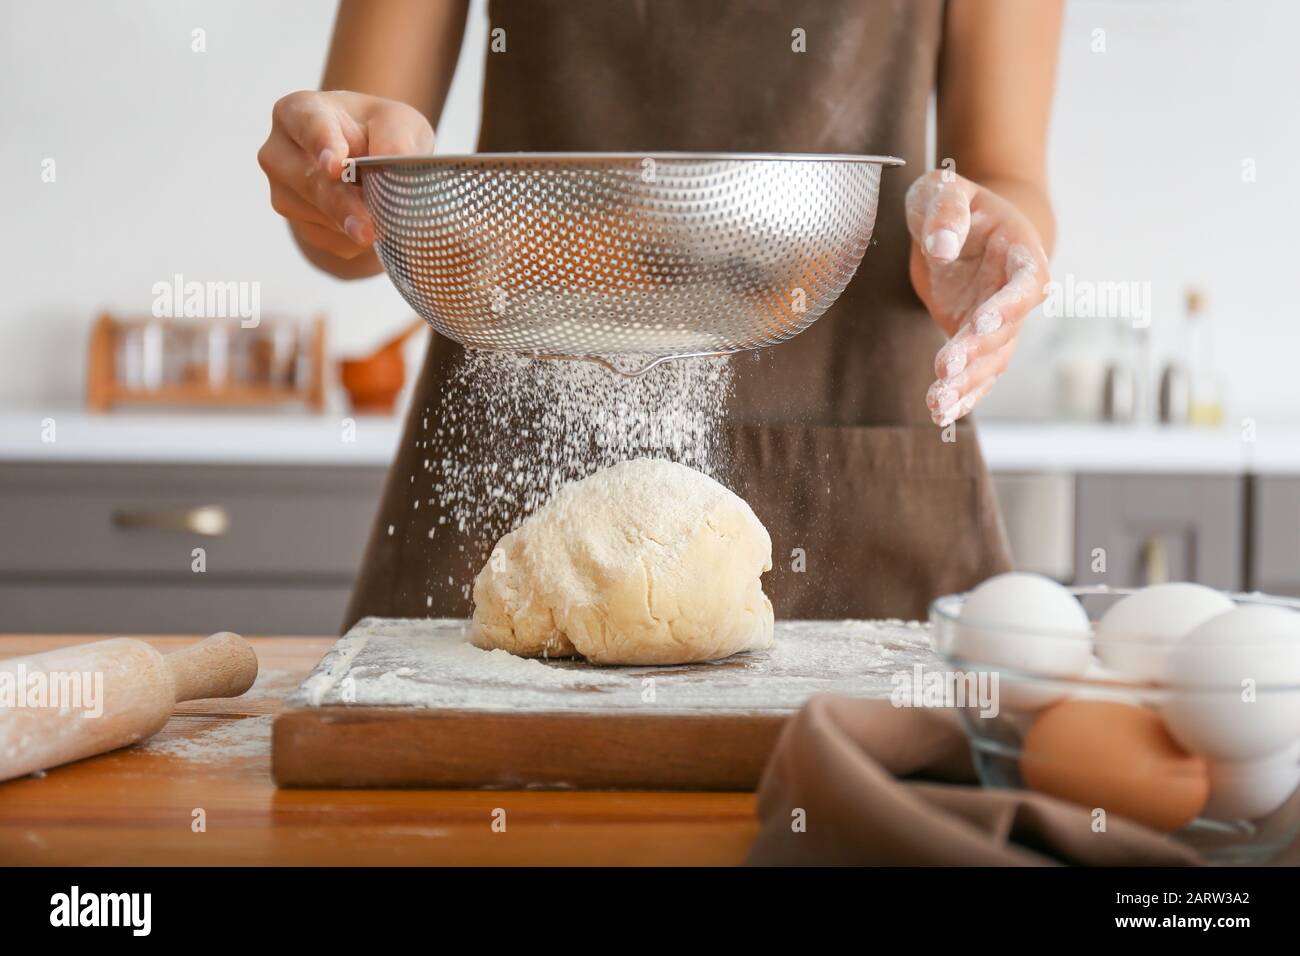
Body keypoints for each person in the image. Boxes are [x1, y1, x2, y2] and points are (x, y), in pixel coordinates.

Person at [257, 0, 1062, 626]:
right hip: (519, 461)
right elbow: (350, 216)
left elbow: (1004, 172)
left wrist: (989, 244)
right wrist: (342, 174)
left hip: (858, 451)